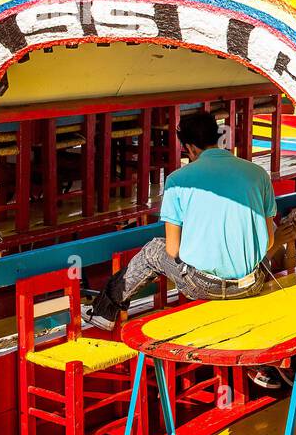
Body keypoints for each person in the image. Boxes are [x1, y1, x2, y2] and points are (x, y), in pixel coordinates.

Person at [85, 110, 277, 331]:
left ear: (190, 148)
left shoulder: (177, 180)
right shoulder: (257, 173)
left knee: (153, 250)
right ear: (217, 137)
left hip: (204, 286)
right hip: (250, 284)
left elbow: (173, 250)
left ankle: (104, 311)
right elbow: (269, 241)